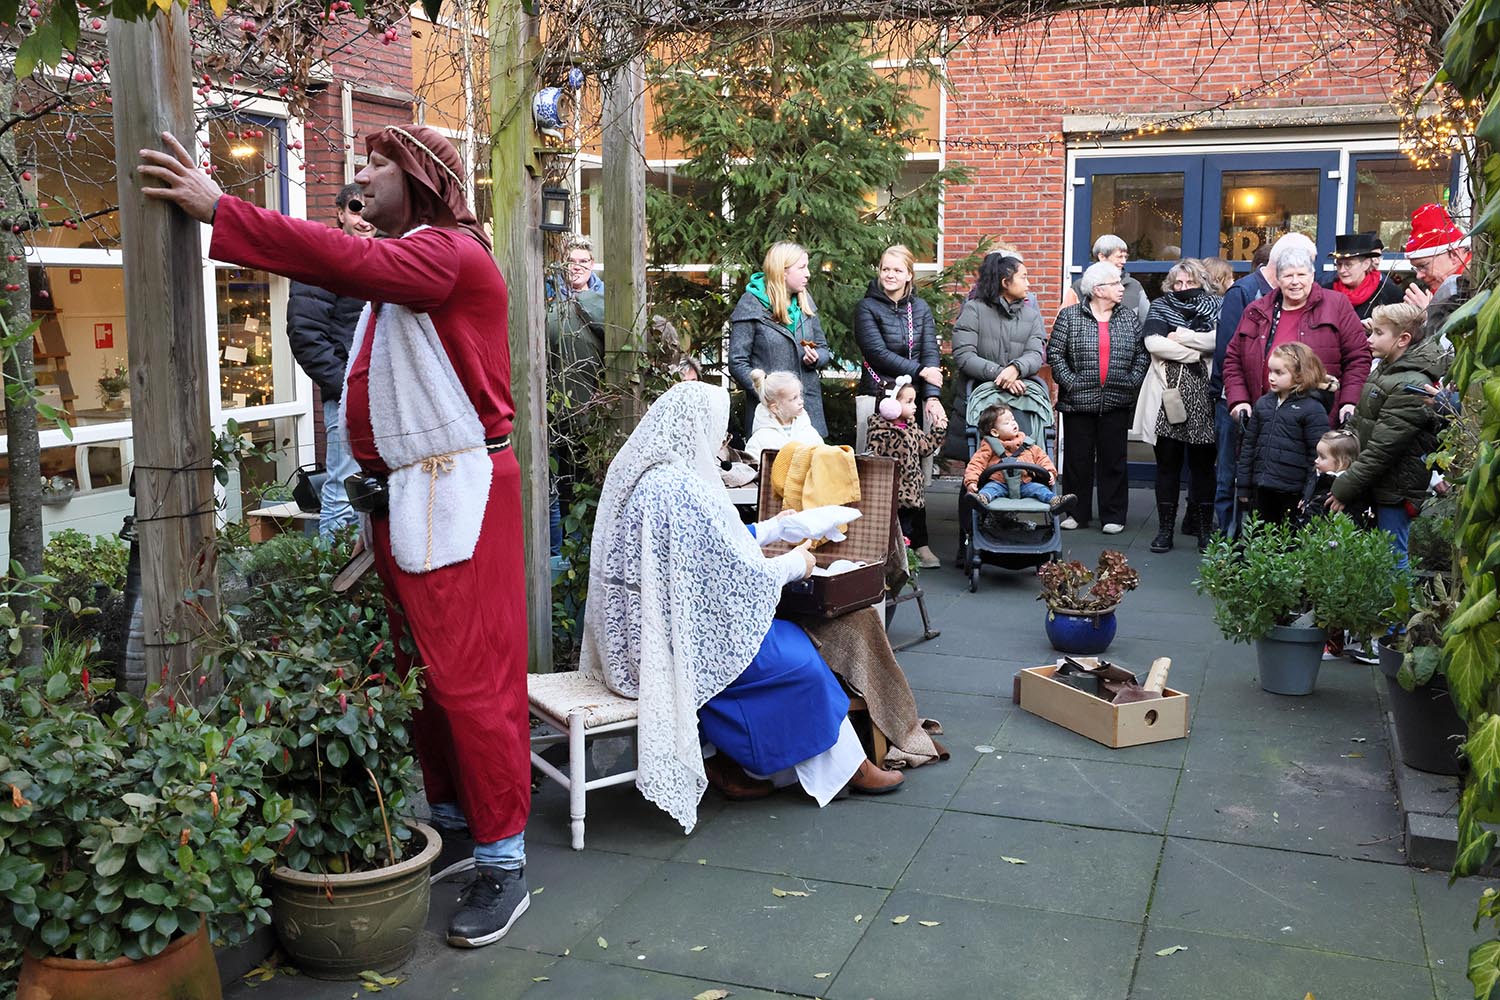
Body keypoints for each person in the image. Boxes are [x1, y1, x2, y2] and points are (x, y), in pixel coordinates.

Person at [139, 125, 533, 948]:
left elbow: (344, 262)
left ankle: (504, 862)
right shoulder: (419, 257)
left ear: (420, 179)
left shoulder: (448, 253)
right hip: (414, 499)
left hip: (453, 499)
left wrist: (223, 209)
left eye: (376, 164)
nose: (358, 176)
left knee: (472, 680)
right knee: (421, 676)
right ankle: (461, 825)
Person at [580, 382, 902, 832]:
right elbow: (734, 571)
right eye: (718, 429)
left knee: (786, 648)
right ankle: (843, 766)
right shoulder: (680, 488)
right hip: (681, 645)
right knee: (799, 661)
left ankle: (741, 763)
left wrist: (774, 528)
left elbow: (709, 550)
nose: (721, 440)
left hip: (659, 636)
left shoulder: (655, 478)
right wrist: (797, 562)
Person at [286, 183, 374, 540]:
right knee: (341, 495)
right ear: (339, 214)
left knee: (375, 493)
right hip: (347, 396)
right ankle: (330, 587)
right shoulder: (321, 261)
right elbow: (305, 335)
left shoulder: (385, 256)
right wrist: (347, 386)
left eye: (369, 210)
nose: (364, 219)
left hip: (384, 397)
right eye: (355, 209)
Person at [1330, 302, 1448, 569]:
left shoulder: (1411, 384)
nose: (1370, 339)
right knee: (1379, 555)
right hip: (1379, 482)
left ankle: (1399, 611)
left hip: (1396, 487)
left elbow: (1383, 448)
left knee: (1393, 557)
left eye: (1378, 333)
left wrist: (1345, 487)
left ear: (1403, 339)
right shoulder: (1386, 369)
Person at [1223, 237, 1370, 430]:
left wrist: (1349, 401)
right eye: (1288, 275)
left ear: (1312, 275)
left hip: (1319, 419)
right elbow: (1233, 359)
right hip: (1265, 420)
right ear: (1277, 278)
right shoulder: (1256, 311)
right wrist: (1238, 400)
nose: (1295, 282)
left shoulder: (1337, 305)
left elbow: (1358, 357)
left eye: (1301, 275)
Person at [1047, 260, 1149, 534]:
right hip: (1078, 401)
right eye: (1115, 283)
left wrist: (1131, 381)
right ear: (1097, 289)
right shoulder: (1070, 317)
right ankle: (1074, 513)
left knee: (1113, 460)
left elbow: (1142, 354)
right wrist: (1071, 382)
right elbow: (1055, 354)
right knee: (1077, 460)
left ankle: (1113, 515)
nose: (1121, 288)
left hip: (1116, 400)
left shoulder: (1128, 316)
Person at [1131, 259, 1220, 553]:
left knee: (1203, 467)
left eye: (1189, 283)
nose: (1182, 288)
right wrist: (1195, 352)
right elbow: (1154, 344)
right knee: (1167, 466)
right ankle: (1165, 530)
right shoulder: (1160, 305)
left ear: (1202, 282)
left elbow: (1218, 341)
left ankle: (1205, 531)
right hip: (1166, 396)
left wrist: (1182, 337)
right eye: (1178, 283)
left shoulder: (1218, 305)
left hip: (1206, 398)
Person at [729, 242, 831, 437]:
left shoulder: (805, 301)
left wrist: (817, 357)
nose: (808, 273)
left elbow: (824, 348)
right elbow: (737, 361)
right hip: (769, 418)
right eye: (802, 267)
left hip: (808, 417)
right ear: (782, 271)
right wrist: (767, 394)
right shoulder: (751, 305)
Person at [545, 236, 606, 558]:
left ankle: (584, 556)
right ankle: (558, 557)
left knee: (587, 486)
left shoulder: (605, 302)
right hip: (554, 414)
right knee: (557, 489)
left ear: (592, 264)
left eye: (583, 261)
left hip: (592, 413)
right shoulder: (548, 302)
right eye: (571, 261)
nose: (577, 267)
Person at [853, 244, 943, 452]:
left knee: (913, 458)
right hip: (878, 395)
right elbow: (877, 353)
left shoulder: (920, 308)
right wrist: (921, 371)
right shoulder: (866, 307)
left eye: (897, 270)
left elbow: (930, 352)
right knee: (879, 464)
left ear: (909, 275)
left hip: (912, 398)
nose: (890, 275)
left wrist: (932, 397)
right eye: (885, 269)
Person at [1210, 243, 1274, 533]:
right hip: (1234, 399)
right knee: (1228, 474)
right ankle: (1226, 540)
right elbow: (1227, 350)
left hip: (1269, 399)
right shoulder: (1244, 292)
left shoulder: (1290, 295)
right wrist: (1230, 393)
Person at [1235, 343, 1328, 525]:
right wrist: (1244, 486)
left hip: (1292, 492)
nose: (1271, 378)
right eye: (1270, 371)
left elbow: (1317, 455)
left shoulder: (1312, 408)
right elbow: (1249, 446)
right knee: (1260, 540)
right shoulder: (1263, 404)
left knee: (1288, 543)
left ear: (1300, 375)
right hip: (1262, 488)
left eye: (1279, 373)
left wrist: (1309, 493)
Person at [866, 378, 948, 568]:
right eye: (908, 401)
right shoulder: (880, 430)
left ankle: (911, 555)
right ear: (891, 404)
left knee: (912, 524)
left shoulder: (911, 426)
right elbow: (874, 459)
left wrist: (938, 429)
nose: (914, 406)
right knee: (893, 528)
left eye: (914, 401)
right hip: (891, 493)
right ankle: (891, 560)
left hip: (913, 492)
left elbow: (925, 448)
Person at [951, 253, 1046, 403]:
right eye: (1023, 277)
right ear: (1005, 282)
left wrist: (1015, 369)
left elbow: (1035, 355)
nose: (1028, 284)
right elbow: (964, 356)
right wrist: (1002, 374)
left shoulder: (1032, 316)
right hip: (976, 403)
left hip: (1018, 404)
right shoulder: (973, 310)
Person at [963, 403, 1074, 514]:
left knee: (1040, 489)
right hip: (999, 483)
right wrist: (971, 482)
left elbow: (1042, 458)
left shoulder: (1028, 443)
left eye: (1013, 419)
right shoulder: (989, 445)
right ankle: (981, 499)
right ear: (995, 432)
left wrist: (1050, 472)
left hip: (1025, 483)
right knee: (989, 489)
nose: (1013, 423)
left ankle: (1055, 501)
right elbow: (976, 463)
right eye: (1007, 423)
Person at [1059, 235, 1151, 324]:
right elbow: (1061, 324)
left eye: (1125, 257)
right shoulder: (1079, 286)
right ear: (1102, 257)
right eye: (1119, 257)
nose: (1124, 261)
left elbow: (1148, 323)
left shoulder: (1134, 286)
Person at [1402, 203, 1471, 315]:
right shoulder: (1446, 290)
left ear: (1454, 255)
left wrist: (1428, 313)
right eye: (1416, 268)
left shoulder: (1477, 287)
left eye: (1423, 266)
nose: (1419, 276)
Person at [1323, 232, 1403, 323]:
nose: (1342, 270)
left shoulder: (1389, 293)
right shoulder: (1326, 292)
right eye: (1339, 264)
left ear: (1366, 264)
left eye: (1348, 265)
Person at [744, 369, 824, 457]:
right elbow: (751, 467)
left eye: (800, 395)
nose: (801, 401)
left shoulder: (808, 430)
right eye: (794, 398)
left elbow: (822, 458)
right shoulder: (760, 438)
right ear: (775, 408)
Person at [1300, 429, 1365, 527]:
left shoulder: (1337, 486)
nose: (1316, 460)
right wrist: (1306, 500)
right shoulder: (1319, 476)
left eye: (1322, 457)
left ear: (1342, 463)